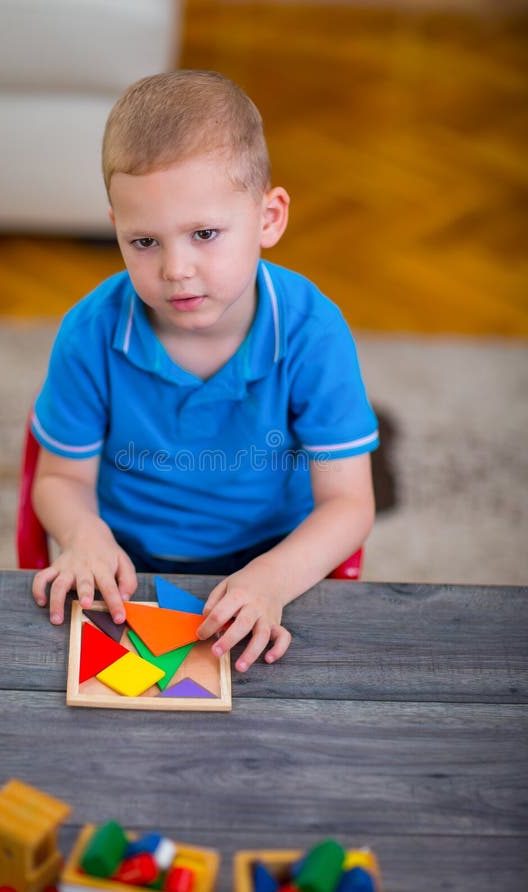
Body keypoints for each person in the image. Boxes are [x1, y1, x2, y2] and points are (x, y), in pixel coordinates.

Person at [30, 69, 379, 673]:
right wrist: (85, 536)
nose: (176, 270)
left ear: (269, 218)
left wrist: (271, 579)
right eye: (144, 242)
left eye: (204, 234)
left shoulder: (312, 333)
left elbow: (348, 502)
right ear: (114, 225)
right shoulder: (88, 333)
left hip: (272, 561)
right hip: (126, 563)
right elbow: (58, 480)